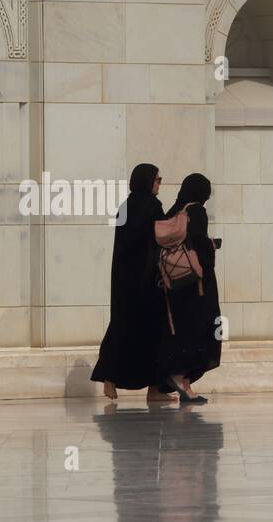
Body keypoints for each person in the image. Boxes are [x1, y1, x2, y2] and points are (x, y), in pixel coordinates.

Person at [90, 163, 174, 404]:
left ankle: (110, 378)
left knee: (122, 327)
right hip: (148, 282)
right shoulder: (152, 205)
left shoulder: (126, 206)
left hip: (125, 280)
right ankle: (154, 389)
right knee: (154, 334)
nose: (160, 183)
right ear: (148, 180)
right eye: (158, 178)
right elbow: (162, 238)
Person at [156, 173, 222, 405]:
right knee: (203, 330)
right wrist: (212, 244)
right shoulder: (196, 211)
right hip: (197, 285)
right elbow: (199, 244)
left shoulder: (175, 209)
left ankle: (184, 383)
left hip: (175, 283)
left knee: (183, 331)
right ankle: (182, 378)